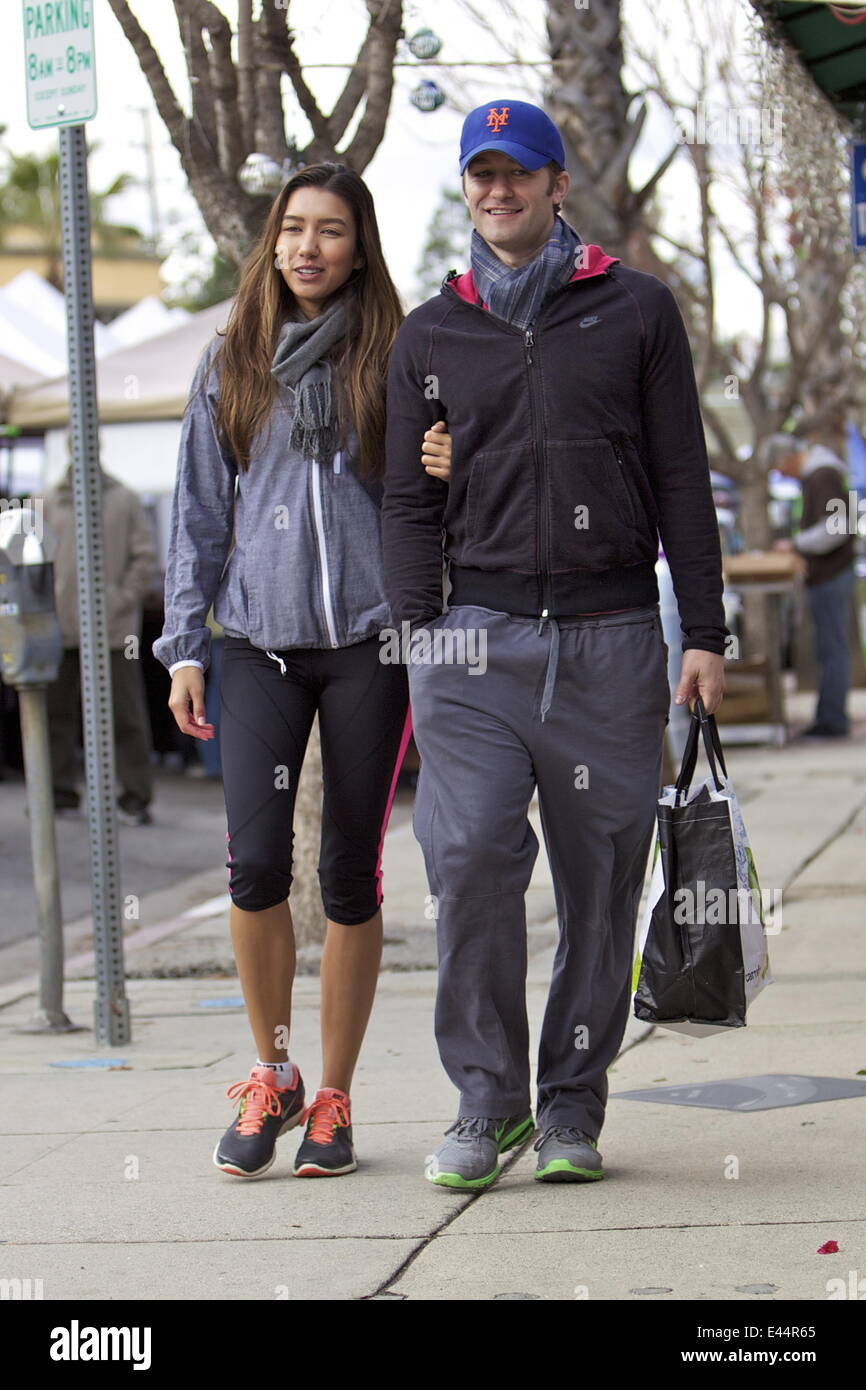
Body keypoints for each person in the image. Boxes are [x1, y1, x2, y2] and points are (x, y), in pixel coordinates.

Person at [381, 99, 727, 1190]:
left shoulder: (634, 310)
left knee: (600, 879)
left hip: (613, 633)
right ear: (467, 188)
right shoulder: (431, 331)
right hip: (472, 644)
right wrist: (416, 631)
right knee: (471, 854)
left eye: (517, 173)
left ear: (555, 183)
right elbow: (402, 497)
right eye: (480, 175)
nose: (498, 191)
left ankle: (571, 1102)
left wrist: (704, 630)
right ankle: (485, 1102)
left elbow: (681, 475)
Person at [153, 162, 452, 1180]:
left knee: (348, 878)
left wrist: (450, 467)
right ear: (271, 243)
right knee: (253, 867)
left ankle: (333, 1097)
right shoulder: (231, 360)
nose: (307, 247)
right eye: (291, 229)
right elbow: (196, 514)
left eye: (328, 230)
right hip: (257, 646)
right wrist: (184, 644)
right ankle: (269, 1071)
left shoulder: (399, 356)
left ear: (358, 246)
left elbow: (436, 501)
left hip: (372, 646)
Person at [44, 455, 158, 826]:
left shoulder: (124, 498)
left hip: (113, 630)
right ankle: (58, 793)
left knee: (125, 714)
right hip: (59, 628)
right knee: (54, 713)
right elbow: (22, 559)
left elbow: (146, 558)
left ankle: (135, 797)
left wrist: (118, 599)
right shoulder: (45, 499)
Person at [765, 433, 857, 739]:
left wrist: (796, 544)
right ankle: (828, 718)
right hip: (827, 573)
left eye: (779, 468)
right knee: (829, 648)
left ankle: (832, 722)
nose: (781, 475)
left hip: (832, 574)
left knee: (832, 649)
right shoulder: (820, 474)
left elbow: (837, 528)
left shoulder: (823, 474)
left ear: (788, 458)